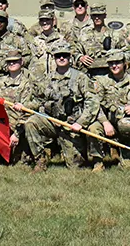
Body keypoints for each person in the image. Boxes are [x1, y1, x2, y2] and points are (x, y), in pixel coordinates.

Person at [89, 50, 130, 170]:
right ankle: (98, 163)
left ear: (124, 64)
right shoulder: (101, 81)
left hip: (128, 126)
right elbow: (94, 105)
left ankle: (129, 152)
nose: (114, 66)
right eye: (111, 63)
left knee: (127, 168)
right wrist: (105, 122)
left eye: (117, 63)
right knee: (93, 128)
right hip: (109, 122)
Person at [0, 50, 54, 171]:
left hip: (21, 125)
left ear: (21, 62)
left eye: (15, 61)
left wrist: (16, 134)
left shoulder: (28, 83)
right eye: (9, 62)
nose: (12, 64)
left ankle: (38, 157)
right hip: (3, 123)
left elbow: (28, 112)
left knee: (21, 161)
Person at [40, 41, 97, 170]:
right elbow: (39, 100)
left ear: (70, 57)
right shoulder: (47, 79)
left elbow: (92, 102)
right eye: (58, 56)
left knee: (76, 167)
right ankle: (40, 160)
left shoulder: (80, 77)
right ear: (54, 58)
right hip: (53, 122)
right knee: (32, 123)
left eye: (64, 55)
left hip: (72, 125)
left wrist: (81, 122)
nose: (61, 58)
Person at [74, 4, 113, 78]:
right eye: (94, 15)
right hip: (89, 75)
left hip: (109, 76)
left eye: (99, 15)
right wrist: (80, 57)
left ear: (105, 16)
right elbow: (74, 49)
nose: (97, 18)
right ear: (91, 17)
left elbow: (127, 50)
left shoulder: (113, 35)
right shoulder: (84, 34)